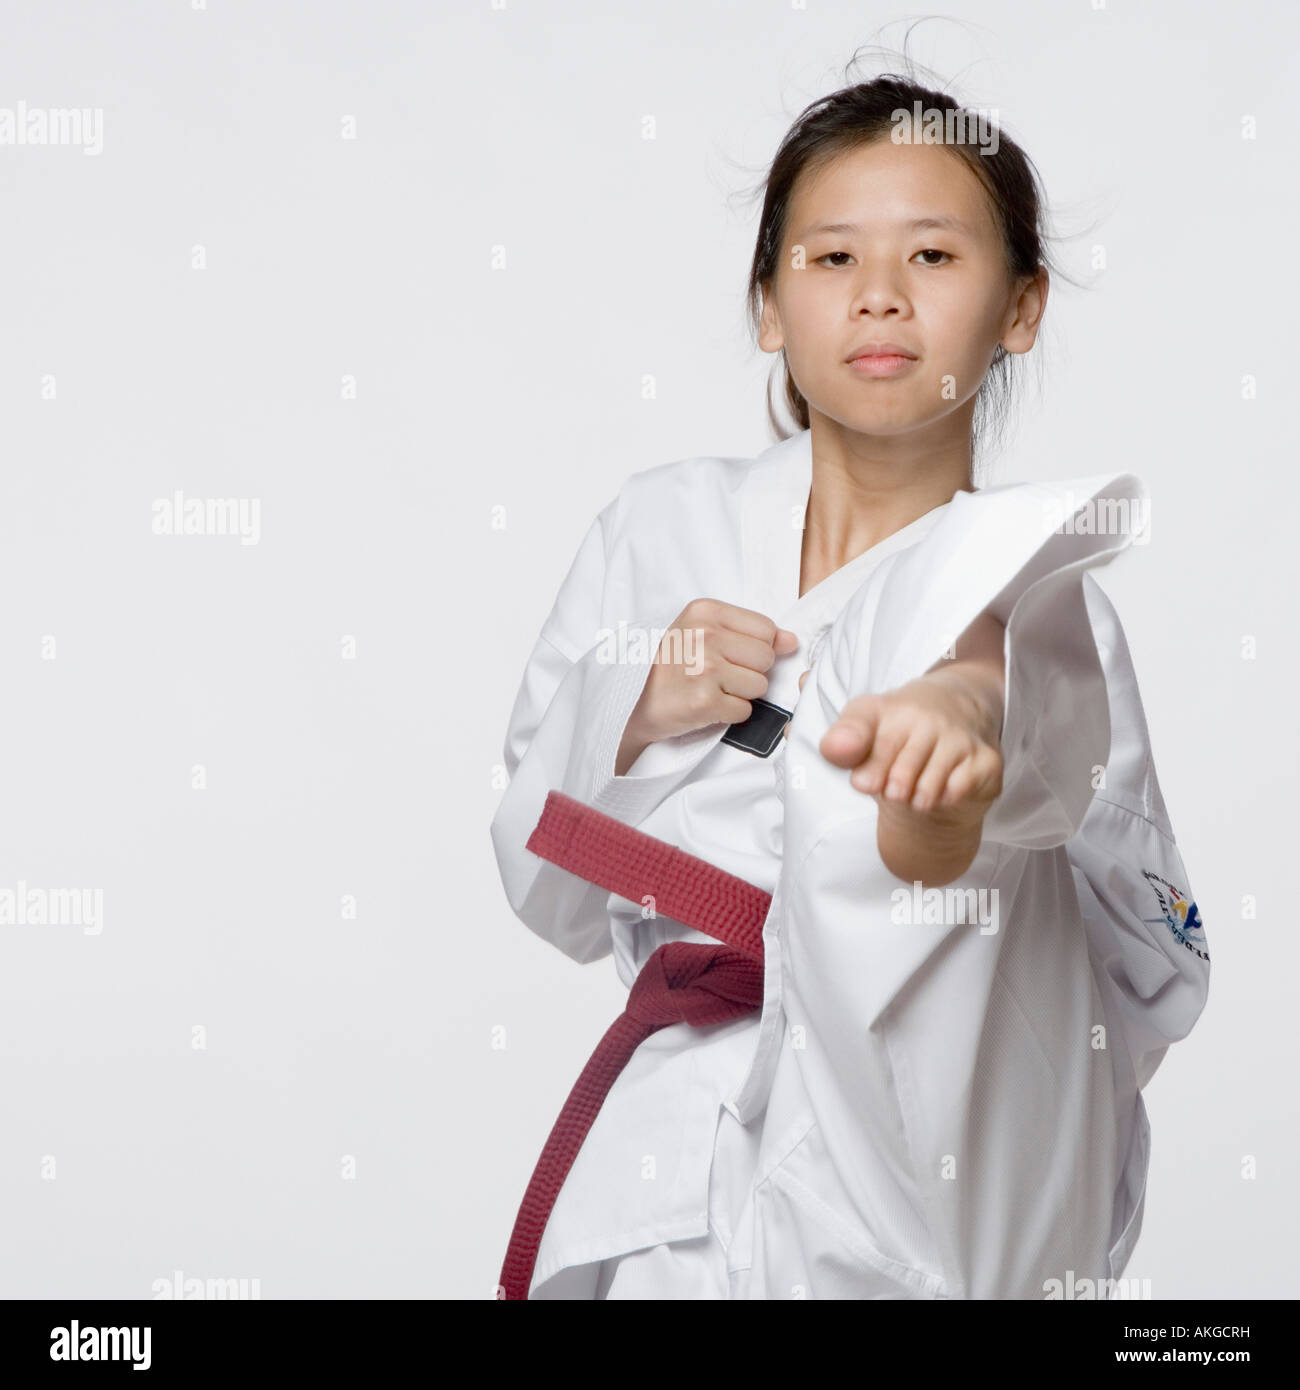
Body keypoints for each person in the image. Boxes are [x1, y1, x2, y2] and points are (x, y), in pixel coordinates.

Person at [489, 72, 1209, 1299]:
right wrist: (632, 713)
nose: (879, 293)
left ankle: (931, 806)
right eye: (830, 259)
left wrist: (967, 748)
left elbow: (1152, 971)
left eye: (932, 252)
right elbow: (540, 889)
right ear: (768, 305)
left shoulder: (1041, 590)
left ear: (1020, 305)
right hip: (680, 1169)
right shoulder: (660, 531)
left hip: (932, 1146)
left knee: (980, 730)